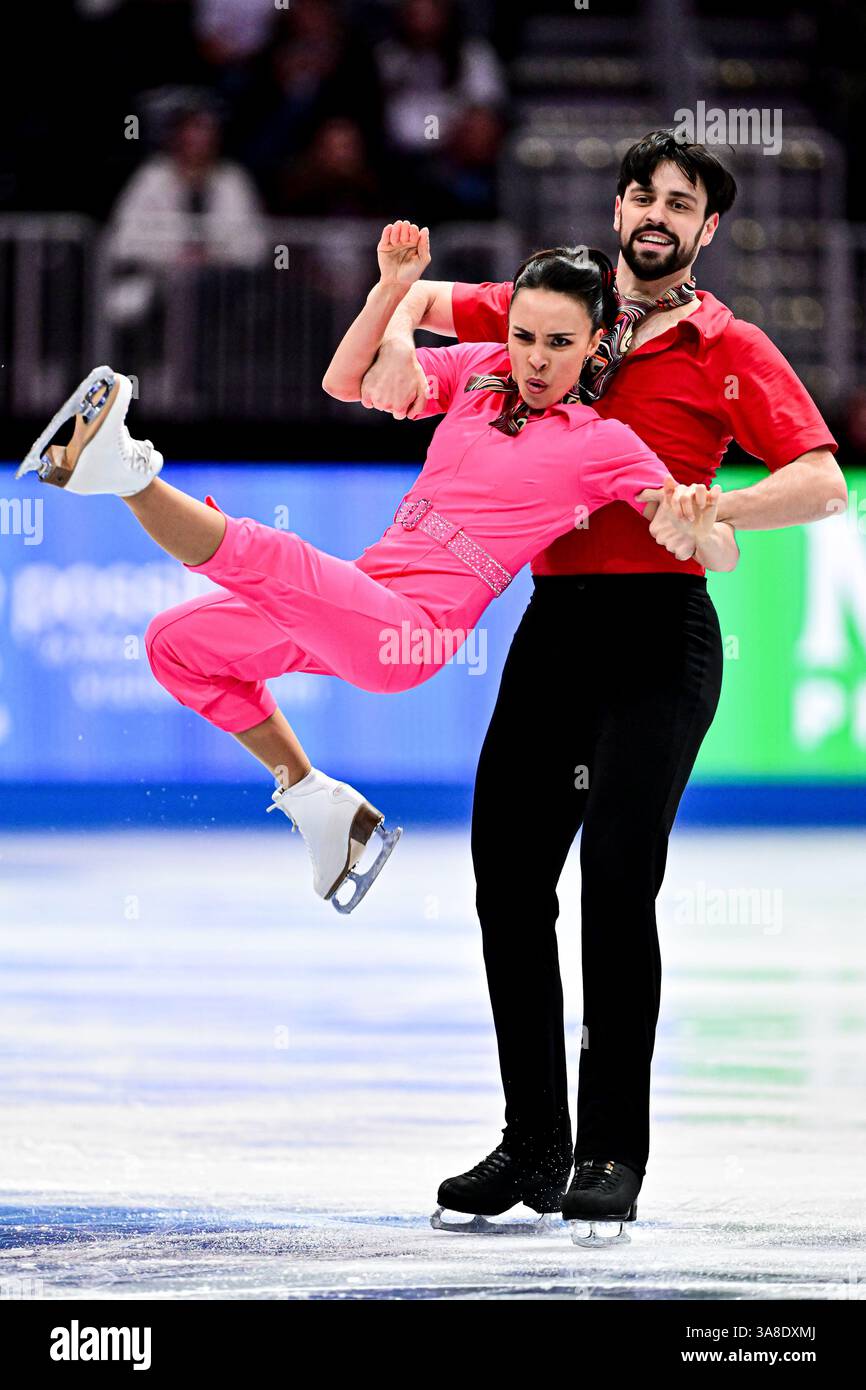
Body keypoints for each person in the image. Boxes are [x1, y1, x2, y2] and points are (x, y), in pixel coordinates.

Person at [360, 135, 847, 1242]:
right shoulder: (554, 308)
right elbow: (419, 301)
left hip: (658, 636)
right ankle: (530, 1140)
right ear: (618, 205)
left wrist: (714, 510)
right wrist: (393, 307)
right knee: (504, 882)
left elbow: (821, 483)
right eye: (642, 194)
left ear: (705, 228)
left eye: (681, 203)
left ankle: (607, 1150)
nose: (657, 213)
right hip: (553, 627)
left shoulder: (729, 346)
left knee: (617, 883)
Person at [16, 220, 733, 929]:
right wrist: (392, 290)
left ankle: (125, 469)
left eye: (559, 344)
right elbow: (343, 379)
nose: (535, 361)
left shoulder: (606, 444)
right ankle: (316, 802)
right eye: (523, 336)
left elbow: (711, 543)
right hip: (368, 589)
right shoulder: (480, 373)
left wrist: (698, 520)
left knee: (275, 555)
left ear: (596, 345)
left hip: (411, 634)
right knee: (176, 643)